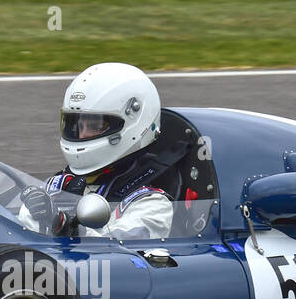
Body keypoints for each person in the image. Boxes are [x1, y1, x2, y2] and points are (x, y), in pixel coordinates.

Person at [20, 63, 181, 239]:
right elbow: (19, 232)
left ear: (132, 124)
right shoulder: (59, 185)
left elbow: (117, 252)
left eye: (95, 125)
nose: (82, 134)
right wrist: (39, 214)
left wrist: (66, 228)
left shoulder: (152, 204)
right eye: (78, 124)